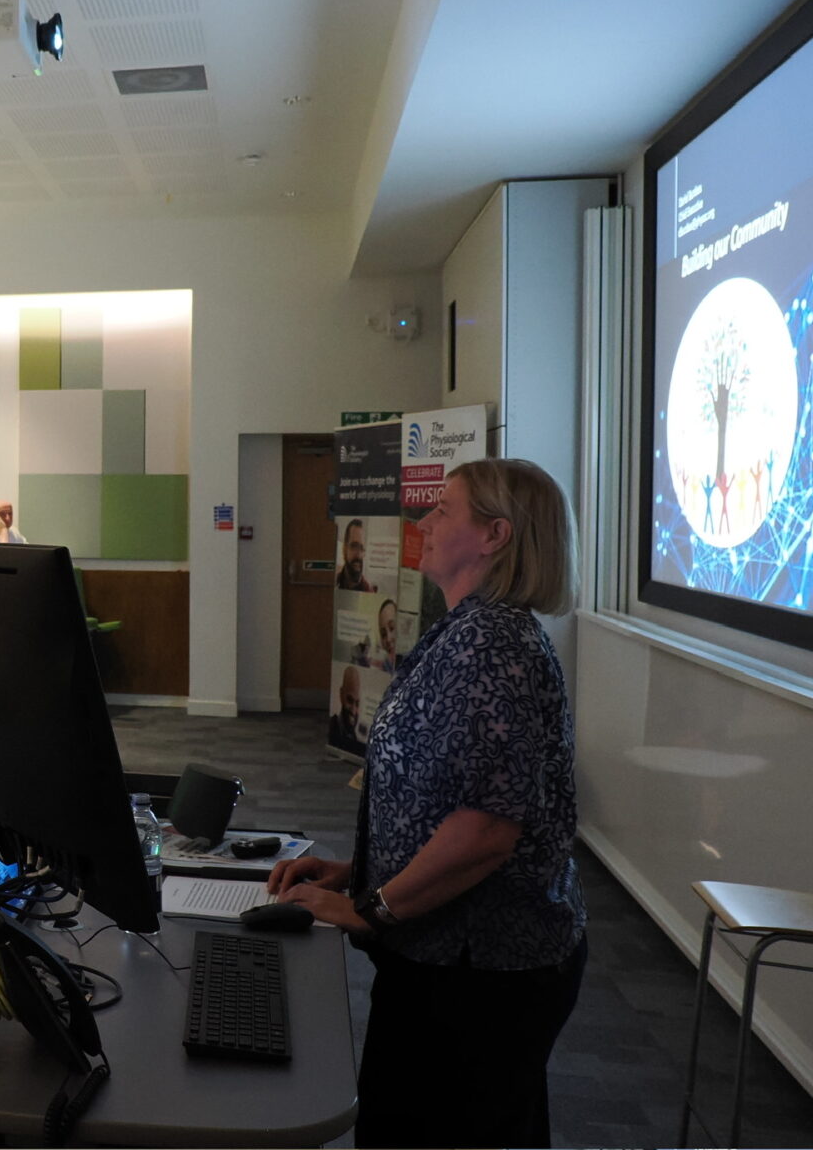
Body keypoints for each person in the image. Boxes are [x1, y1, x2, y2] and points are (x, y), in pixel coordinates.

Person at [273, 458, 587, 1149]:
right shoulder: (468, 629)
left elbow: (483, 832)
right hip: (459, 960)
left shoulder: (490, 646)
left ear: (495, 535)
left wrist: (371, 908)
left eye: (443, 510)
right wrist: (359, 869)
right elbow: (438, 794)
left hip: (479, 974)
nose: (423, 521)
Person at [338, 518, 375, 592]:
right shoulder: (332, 583)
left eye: (361, 548)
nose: (358, 554)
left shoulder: (369, 592)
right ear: (344, 548)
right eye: (354, 546)